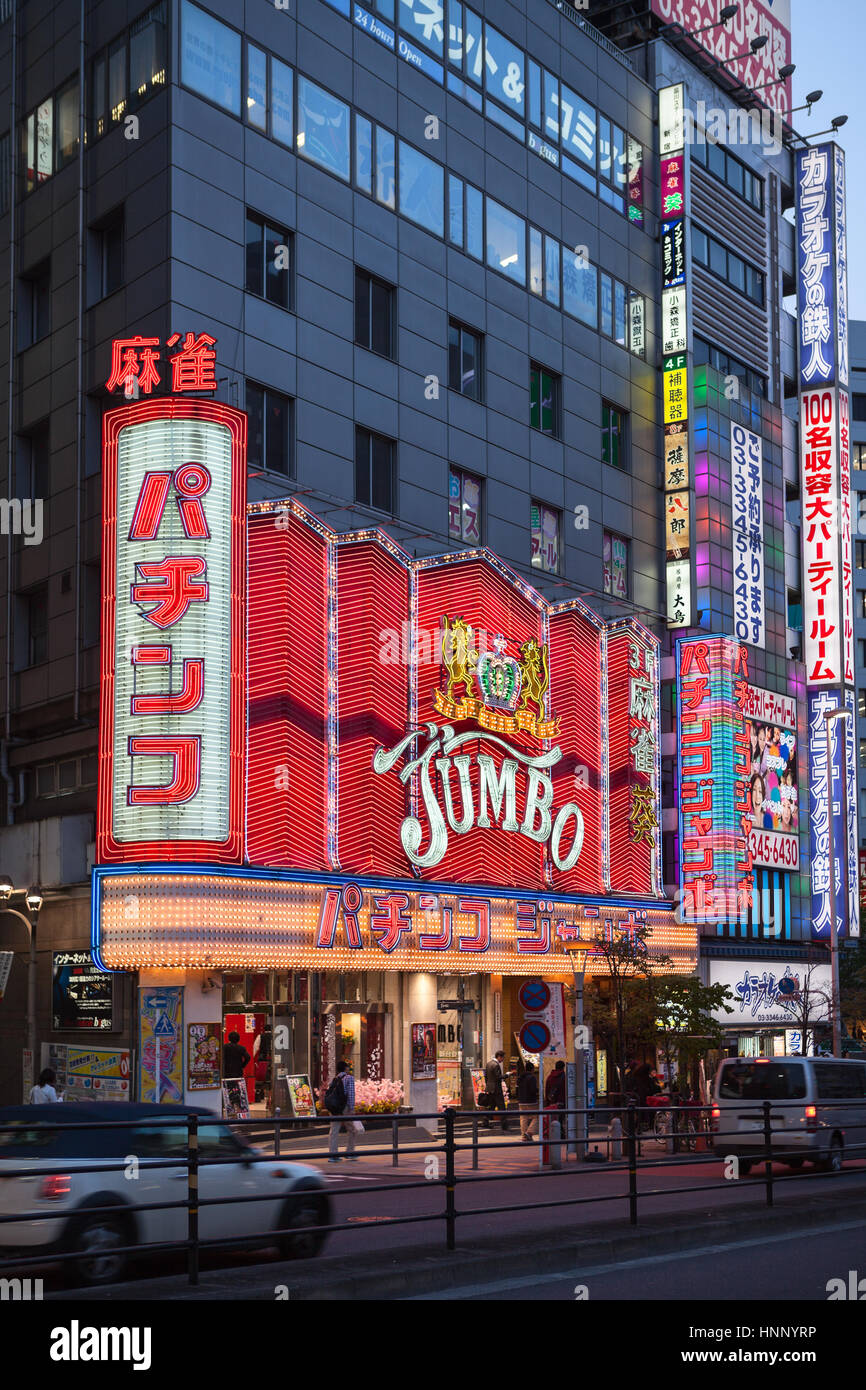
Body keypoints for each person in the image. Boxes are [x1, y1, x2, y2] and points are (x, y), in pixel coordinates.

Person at [327, 1060, 361, 1162]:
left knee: (334, 1131)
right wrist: (352, 1108)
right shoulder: (349, 1078)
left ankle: (333, 1155)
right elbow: (351, 1094)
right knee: (352, 1130)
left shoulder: (335, 1079)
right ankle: (350, 1153)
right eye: (347, 1067)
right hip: (345, 1108)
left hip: (335, 1108)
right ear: (345, 1068)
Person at [484, 1050, 509, 1131]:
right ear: (499, 1057)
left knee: (491, 1106)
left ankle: (485, 1122)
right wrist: (506, 1075)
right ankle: (504, 1125)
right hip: (496, 1089)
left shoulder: (488, 1064)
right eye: (503, 1058)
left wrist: (488, 1086)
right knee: (502, 1107)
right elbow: (498, 1077)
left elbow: (486, 1077)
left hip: (490, 1088)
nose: (503, 1060)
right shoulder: (496, 1065)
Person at [517, 1062, 539, 1141]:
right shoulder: (532, 1077)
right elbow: (533, 1090)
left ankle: (524, 1136)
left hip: (521, 1101)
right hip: (531, 1101)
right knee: (537, 1117)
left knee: (523, 1118)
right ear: (532, 1069)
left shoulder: (520, 1077)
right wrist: (537, 1090)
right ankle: (529, 1132)